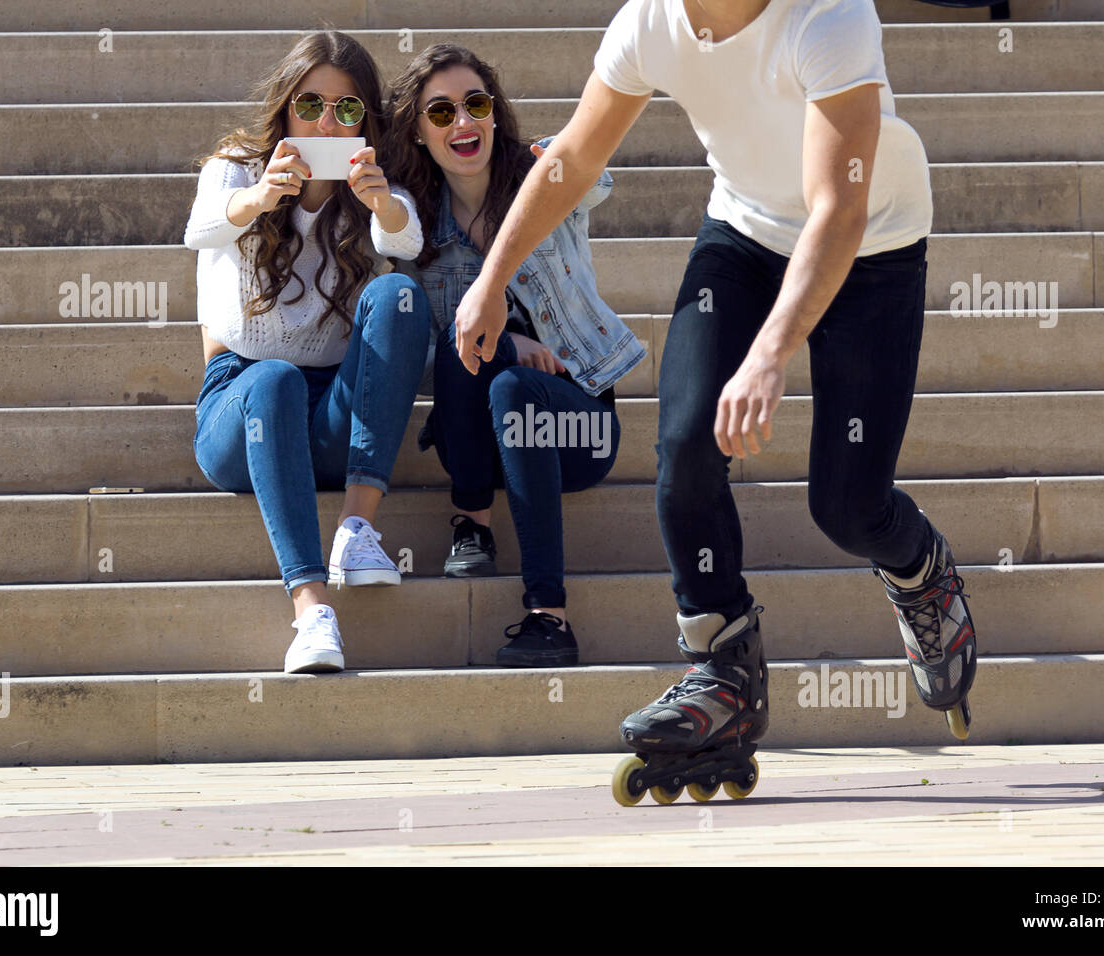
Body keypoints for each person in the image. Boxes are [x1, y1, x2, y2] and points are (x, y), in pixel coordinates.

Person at [452, 0, 979, 767]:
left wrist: (768, 355)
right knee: (686, 443)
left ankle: (921, 571)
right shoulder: (649, 22)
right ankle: (723, 667)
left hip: (871, 245)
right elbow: (572, 157)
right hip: (744, 234)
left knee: (848, 506)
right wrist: (492, 277)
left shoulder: (829, 17)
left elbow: (838, 207)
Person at [382, 44, 646, 667]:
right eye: (440, 112)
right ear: (419, 133)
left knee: (514, 391)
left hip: (575, 429)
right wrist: (504, 345)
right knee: (476, 355)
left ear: (496, 113)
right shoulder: (416, 236)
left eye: (475, 104)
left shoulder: (543, 177)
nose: (462, 122)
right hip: (474, 436)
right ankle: (472, 520)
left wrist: (554, 164)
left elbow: (595, 171)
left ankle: (547, 616)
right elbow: (418, 360)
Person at [183, 31, 431, 674]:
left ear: (365, 123)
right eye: (311, 104)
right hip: (242, 410)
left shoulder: (374, 185)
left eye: (347, 110)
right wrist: (263, 196)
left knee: (400, 295)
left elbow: (405, 239)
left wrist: (380, 202)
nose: (326, 121)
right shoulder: (237, 166)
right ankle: (312, 611)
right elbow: (198, 230)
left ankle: (356, 529)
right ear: (287, 105)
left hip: (331, 418)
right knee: (273, 381)